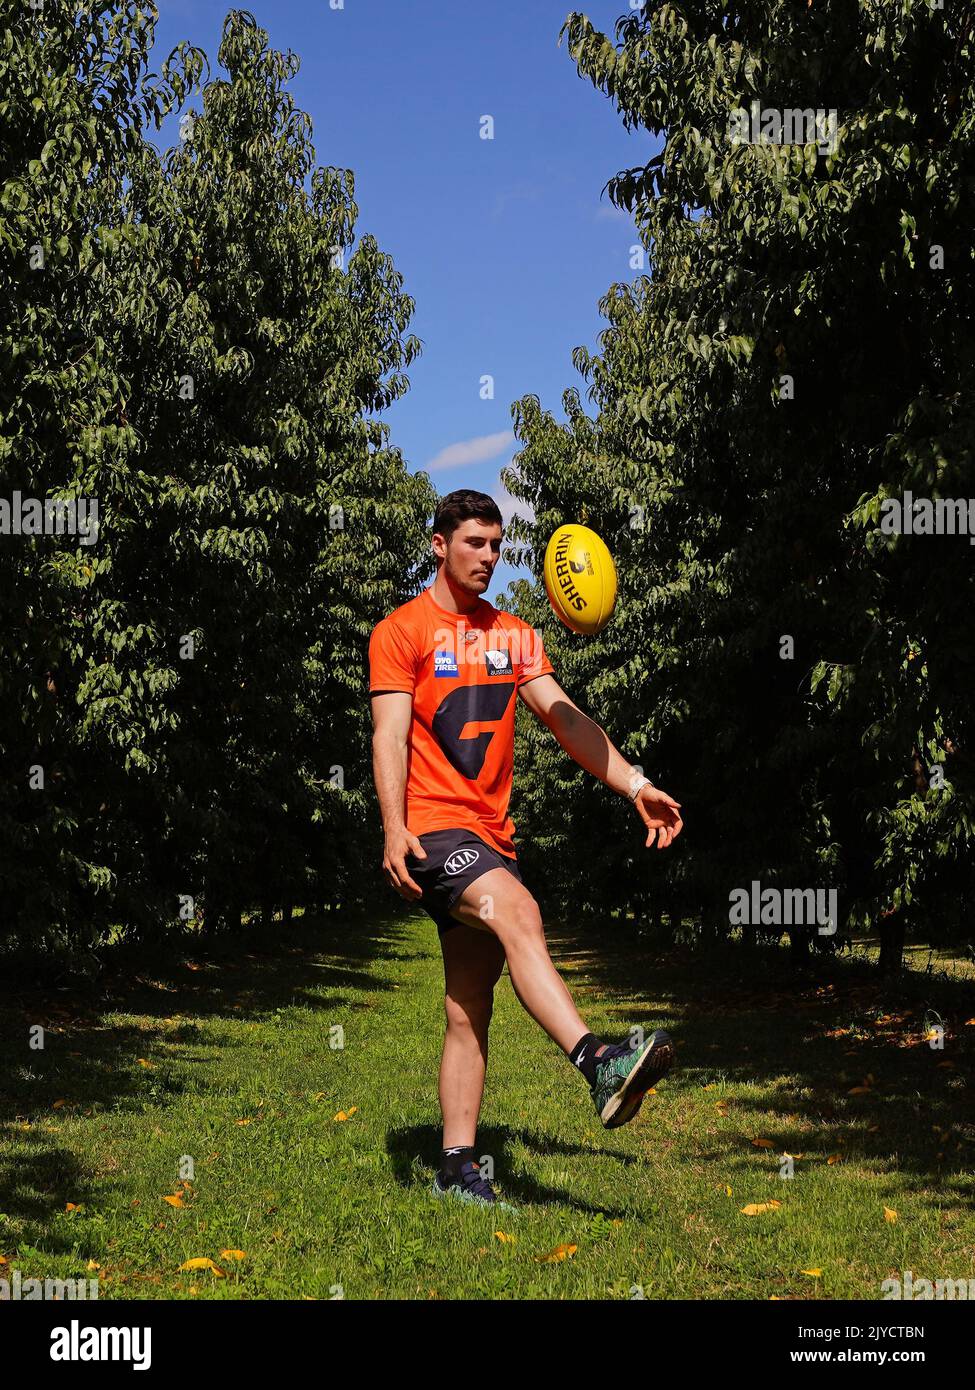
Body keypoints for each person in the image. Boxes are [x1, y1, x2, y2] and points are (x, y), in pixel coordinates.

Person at [368, 490, 683, 1208]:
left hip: (491, 835)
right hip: (433, 828)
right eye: (474, 542)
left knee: (466, 1006)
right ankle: (597, 1060)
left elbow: (566, 721)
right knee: (519, 913)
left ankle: (454, 1165)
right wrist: (392, 827)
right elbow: (388, 734)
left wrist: (634, 784)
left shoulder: (516, 634)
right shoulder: (399, 631)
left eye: (496, 543)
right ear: (438, 544)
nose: (488, 556)